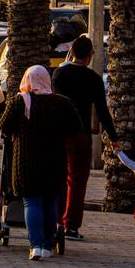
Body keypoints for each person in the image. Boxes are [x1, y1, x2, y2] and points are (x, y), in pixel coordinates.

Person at [0, 65, 82, 260]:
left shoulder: (20, 101)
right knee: (50, 201)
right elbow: (76, 127)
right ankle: (47, 246)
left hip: (26, 163)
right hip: (54, 162)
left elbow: (4, 126)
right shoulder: (62, 103)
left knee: (31, 202)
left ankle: (35, 246)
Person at [52, 34, 118, 240]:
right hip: (80, 134)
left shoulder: (59, 75)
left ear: (71, 52)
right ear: (90, 55)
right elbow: (102, 111)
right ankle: (71, 226)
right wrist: (113, 137)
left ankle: (55, 222)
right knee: (77, 181)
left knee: (58, 178)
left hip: (58, 133)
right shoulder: (93, 79)